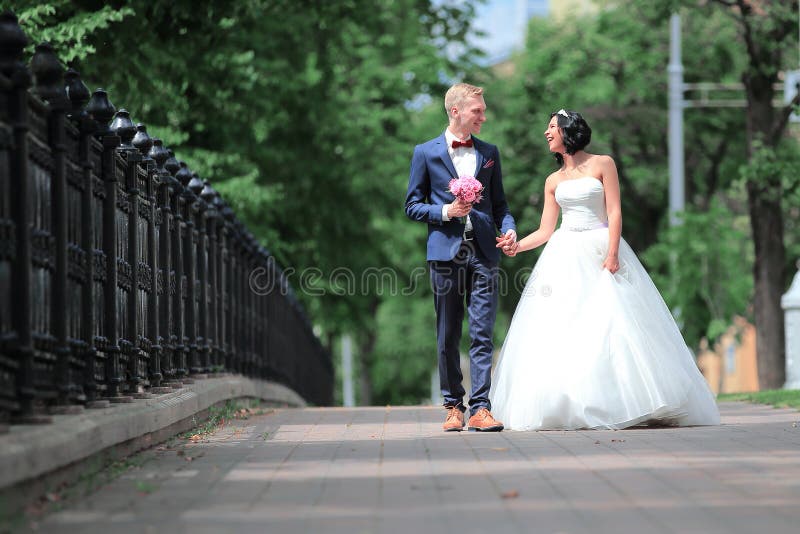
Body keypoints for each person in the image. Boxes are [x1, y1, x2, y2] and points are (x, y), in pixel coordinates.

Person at [489, 109, 720, 431]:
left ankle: (637, 400)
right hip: (564, 252)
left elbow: (614, 211)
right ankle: (574, 401)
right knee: (566, 325)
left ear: (569, 131)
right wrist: (518, 246)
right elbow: (544, 230)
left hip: (601, 247)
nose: (546, 132)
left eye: (552, 127)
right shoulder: (552, 181)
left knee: (617, 321)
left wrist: (612, 253)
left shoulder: (603, 163)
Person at [405, 83, 516, 432]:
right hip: (445, 252)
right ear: (456, 111)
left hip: (484, 253)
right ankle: (453, 405)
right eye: (477, 111)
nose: (483, 115)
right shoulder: (425, 152)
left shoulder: (489, 153)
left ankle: (481, 408)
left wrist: (509, 229)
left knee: (483, 333)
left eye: (483, 110)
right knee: (448, 332)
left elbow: (500, 206)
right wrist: (446, 211)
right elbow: (412, 205)